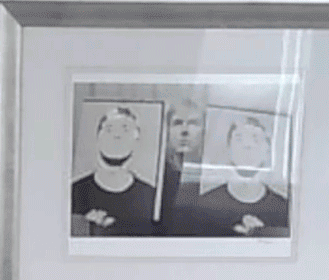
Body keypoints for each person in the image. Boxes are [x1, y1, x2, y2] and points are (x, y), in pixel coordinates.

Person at [192, 115, 290, 238]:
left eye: (256, 139)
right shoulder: (204, 206)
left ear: (268, 151)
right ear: (229, 149)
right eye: (239, 139)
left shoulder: (285, 210)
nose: (247, 145)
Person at [68, 105, 159, 237]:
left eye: (125, 130)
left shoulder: (151, 197)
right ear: (97, 138)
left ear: (136, 141)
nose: (117, 136)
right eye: (109, 129)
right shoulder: (74, 192)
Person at [153, 99, 205, 235]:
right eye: (177, 123)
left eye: (193, 124)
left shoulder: (209, 175)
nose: (185, 131)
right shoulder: (155, 173)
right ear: (167, 130)